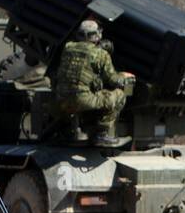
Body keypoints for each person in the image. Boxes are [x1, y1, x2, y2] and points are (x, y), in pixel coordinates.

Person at [51, 19, 128, 148]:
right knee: (119, 95)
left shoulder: (67, 48)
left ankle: (66, 131)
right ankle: (102, 134)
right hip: (82, 100)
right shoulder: (101, 54)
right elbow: (113, 80)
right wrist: (123, 76)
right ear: (96, 35)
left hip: (60, 100)